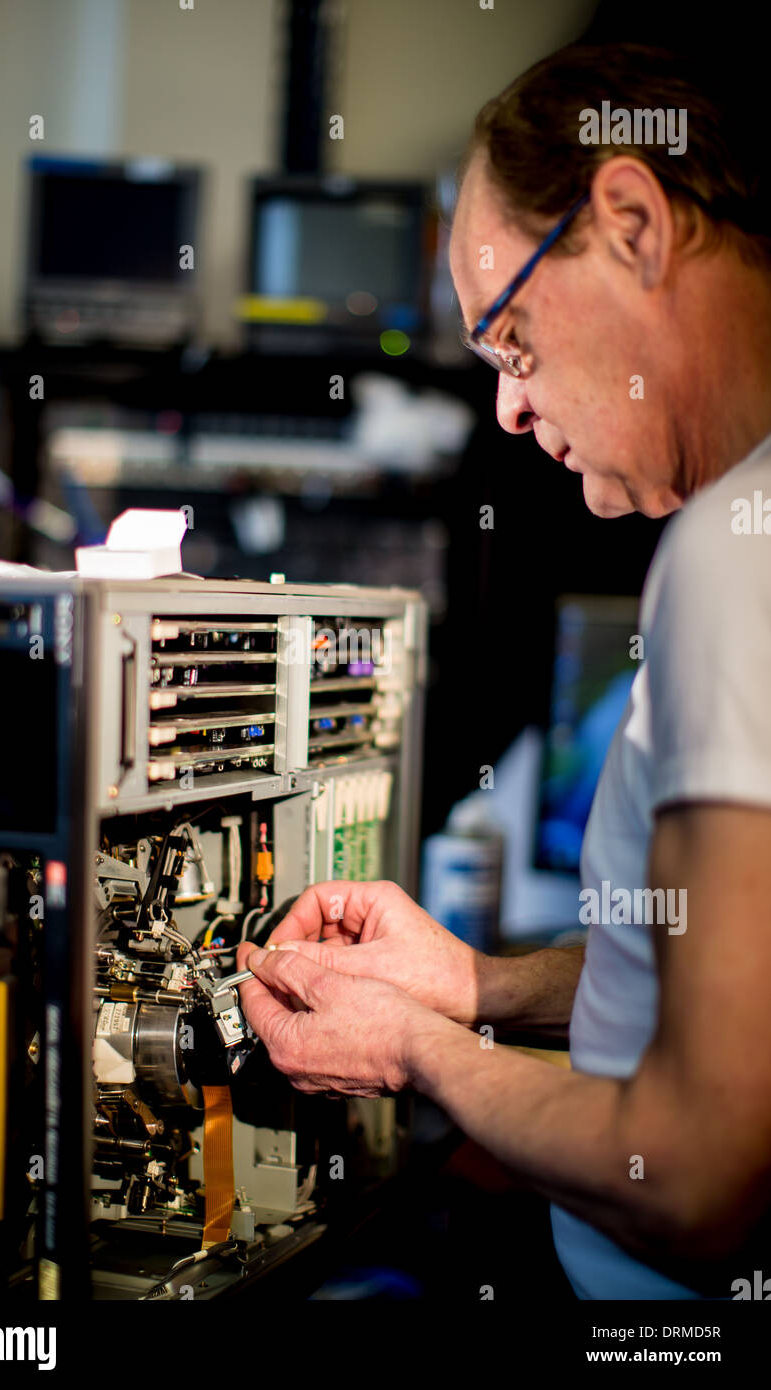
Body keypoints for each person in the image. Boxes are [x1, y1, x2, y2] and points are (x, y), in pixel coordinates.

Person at [237, 43, 771, 1300]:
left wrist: (421, 1052)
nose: (508, 413)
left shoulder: (724, 556)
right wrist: (476, 984)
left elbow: (693, 1171)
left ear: (633, 224)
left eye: (512, 337)